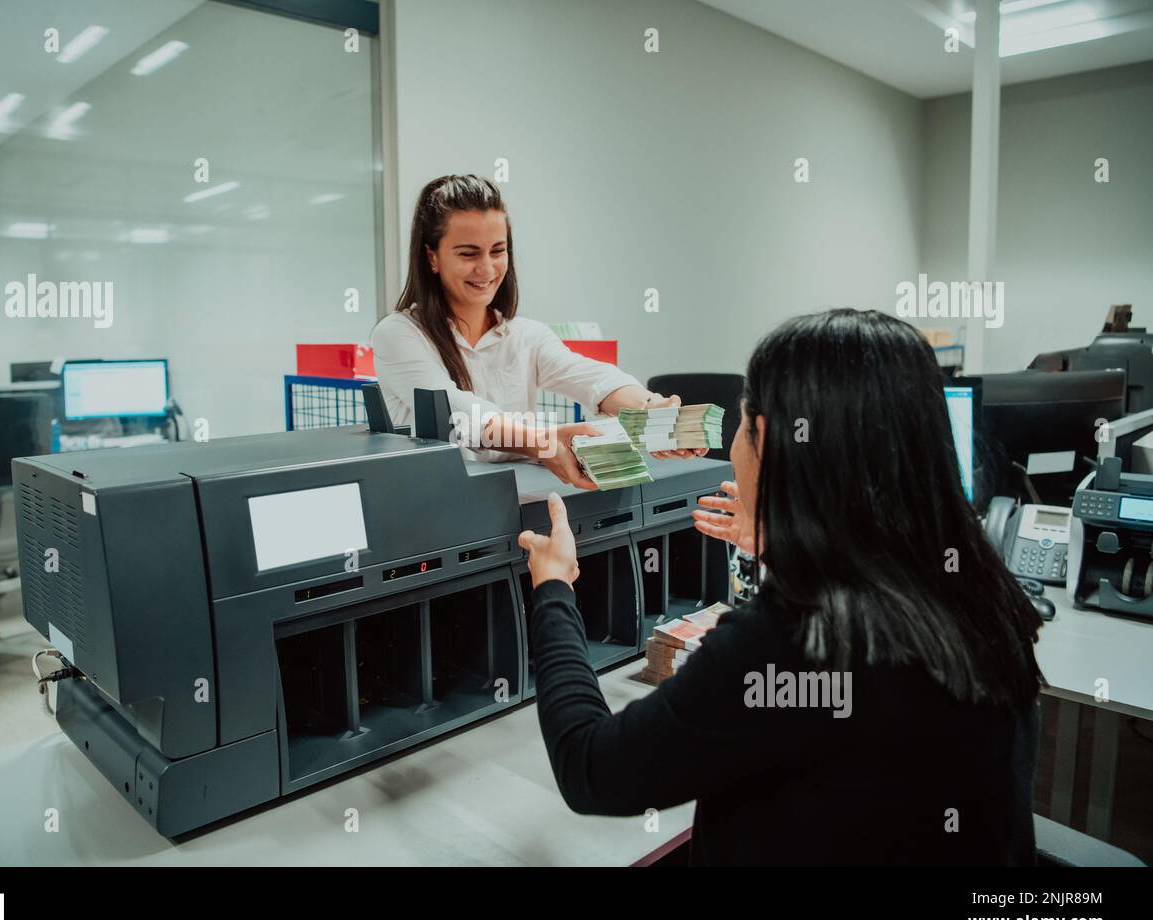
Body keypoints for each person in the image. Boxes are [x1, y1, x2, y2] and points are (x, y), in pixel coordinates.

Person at [519, 309, 1044, 865]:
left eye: (744, 424)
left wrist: (554, 590)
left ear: (765, 439)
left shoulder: (793, 637)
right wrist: (787, 544)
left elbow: (591, 768)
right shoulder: (978, 584)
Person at [372, 174, 703, 489]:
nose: (486, 269)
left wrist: (649, 410)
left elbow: (592, 378)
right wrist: (543, 441)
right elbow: (455, 412)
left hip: (517, 510)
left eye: (498, 251)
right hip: (435, 512)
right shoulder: (398, 334)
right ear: (432, 256)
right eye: (468, 254)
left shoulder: (527, 336)